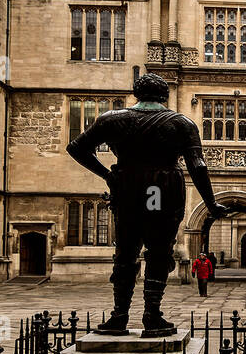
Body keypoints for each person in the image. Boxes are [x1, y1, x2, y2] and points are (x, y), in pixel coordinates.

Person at [67, 73, 228, 336]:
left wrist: (108, 175)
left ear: (136, 93)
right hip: (164, 187)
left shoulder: (112, 119)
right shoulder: (182, 123)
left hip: (128, 186)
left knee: (125, 254)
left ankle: (119, 316)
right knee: (159, 252)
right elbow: (197, 165)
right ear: (164, 96)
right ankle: (152, 316)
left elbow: (76, 148)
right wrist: (210, 202)